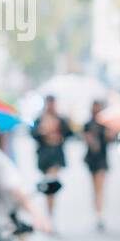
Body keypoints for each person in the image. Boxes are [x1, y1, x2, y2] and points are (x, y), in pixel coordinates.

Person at [30, 94, 72, 223]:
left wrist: (59, 134)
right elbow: (32, 133)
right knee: (48, 185)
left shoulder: (60, 118)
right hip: (44, 156)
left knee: (51, 182)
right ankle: (49, 211)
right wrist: (42, 132)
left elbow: (69, 133)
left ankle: (50, 213)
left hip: (56, 156)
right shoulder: (39, 119)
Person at [83, 100, 111, 231]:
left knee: (99, 186)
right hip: (92, 159)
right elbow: (86, 139)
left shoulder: (106, 123)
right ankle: (97, 211)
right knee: (95, 187)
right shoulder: (88, 124)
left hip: (102, 158)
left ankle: (99, 213)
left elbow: (110, 139)